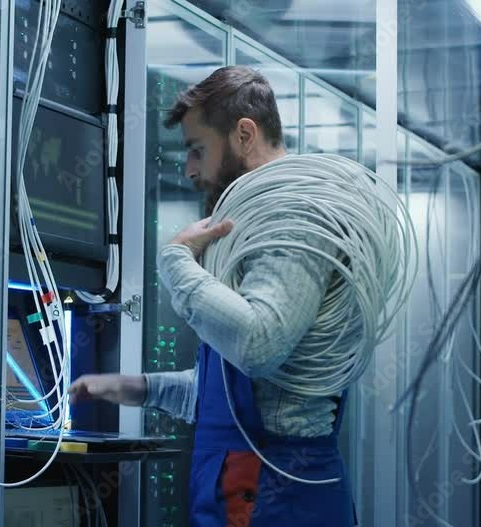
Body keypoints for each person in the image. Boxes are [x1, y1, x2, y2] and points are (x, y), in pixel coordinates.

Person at [68, 66, 357, 526]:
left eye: (197, 150)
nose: (190, 170)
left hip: (278, 492)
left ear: (245, 133)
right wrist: (135, 387)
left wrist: (176, 259)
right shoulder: (259, 223)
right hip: (248, 483)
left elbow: (258, 347)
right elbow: (239, 395)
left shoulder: (296, 215)